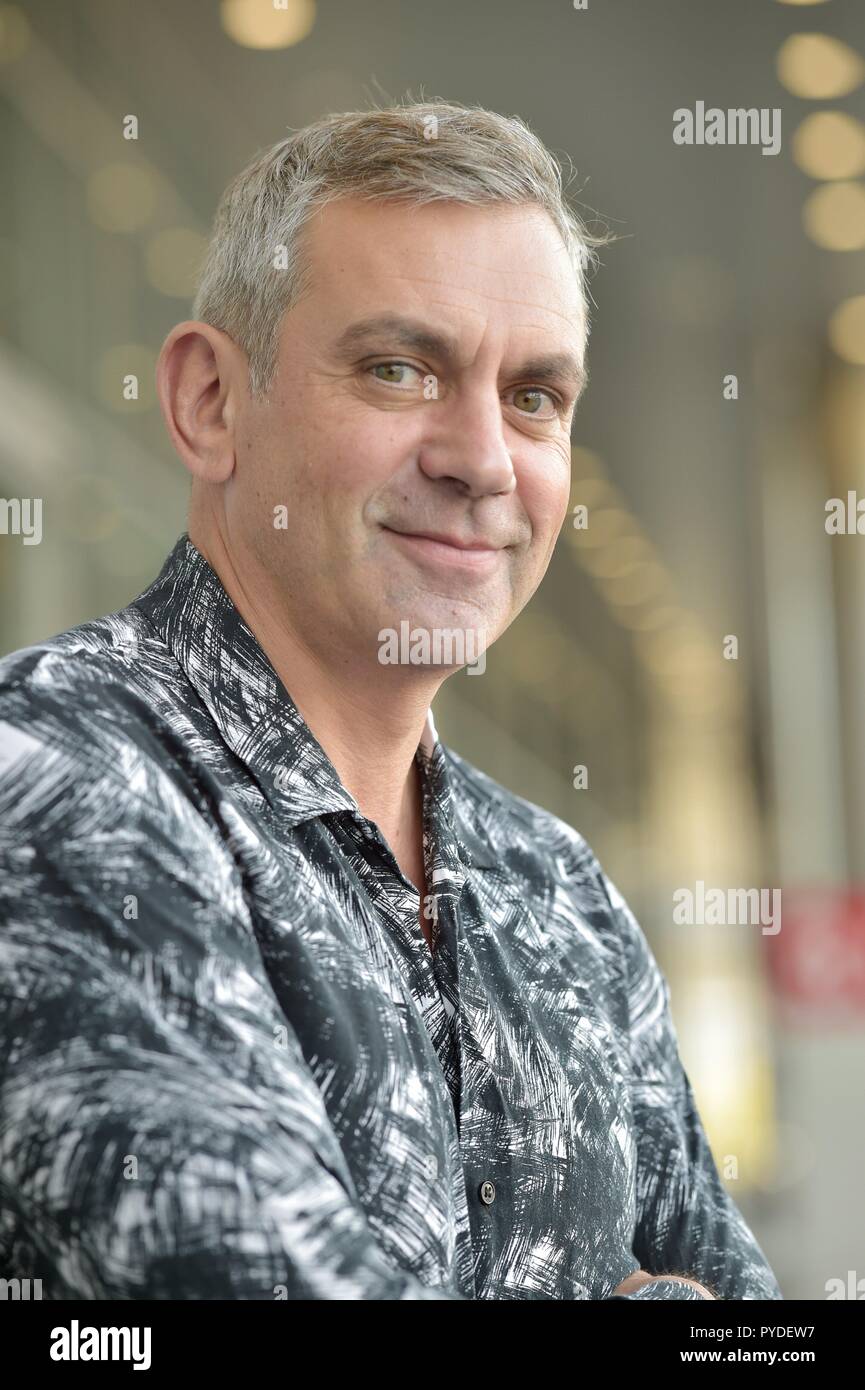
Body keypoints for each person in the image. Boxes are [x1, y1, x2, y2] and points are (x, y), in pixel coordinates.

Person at [0, 100, 782, 1301]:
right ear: (210, 400)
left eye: (533, 395)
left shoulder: (556, 886)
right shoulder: (57, 778)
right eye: (399, 368)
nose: (480, 457)